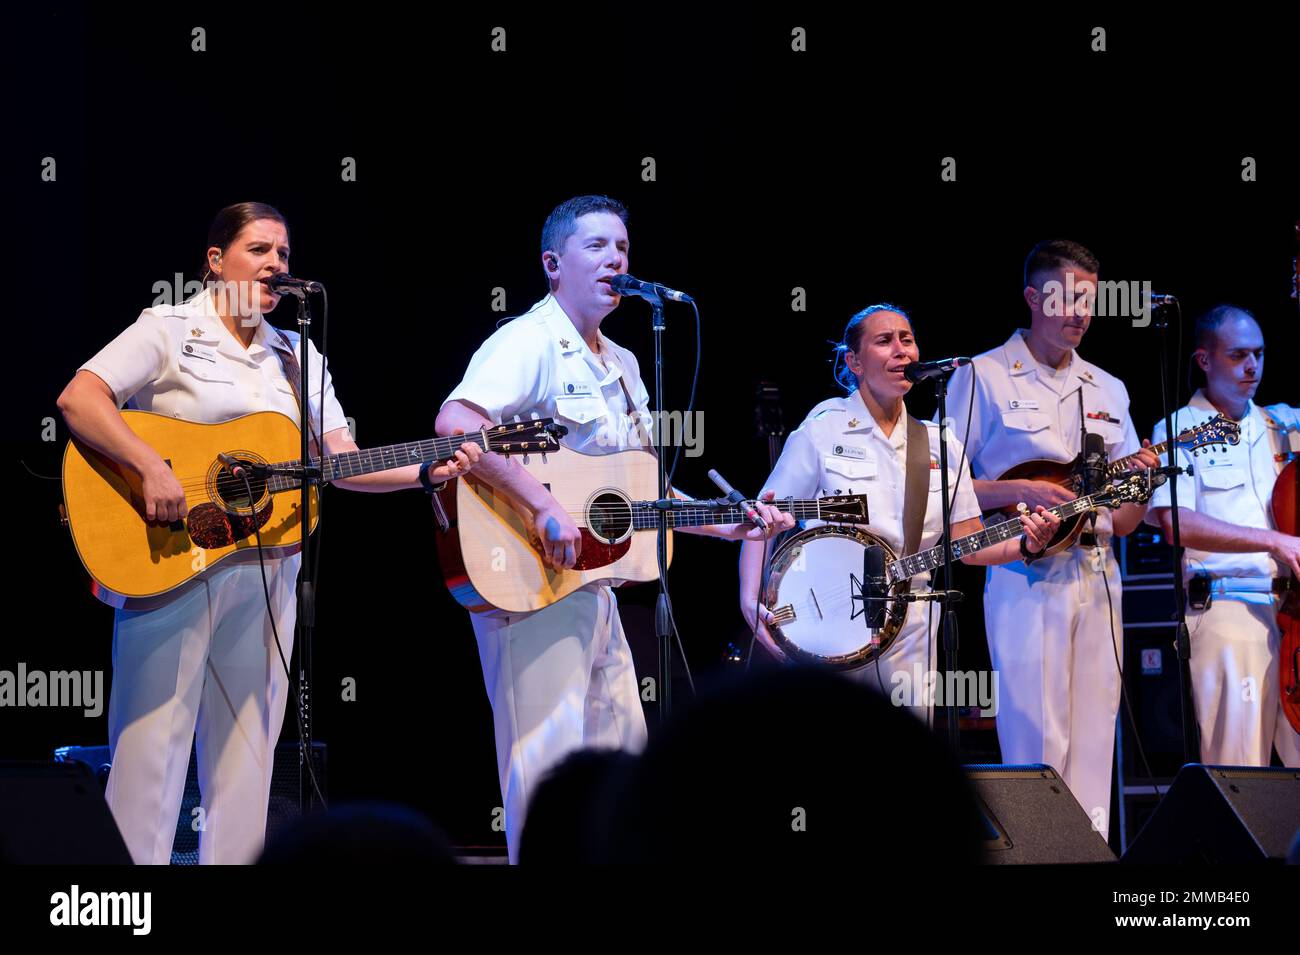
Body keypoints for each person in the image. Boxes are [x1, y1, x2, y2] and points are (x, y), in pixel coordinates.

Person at [56, 202, 481, 863]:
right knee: (150, 746)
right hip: (170, 555)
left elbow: (339, 461)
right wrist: (148, 467)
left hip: (269, 563)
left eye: (283, 254)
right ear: (216, 259)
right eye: (259, 250)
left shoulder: (297, 354)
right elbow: (79, 398)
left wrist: (426, 470)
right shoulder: (168, 327)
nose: (276, 265)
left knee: (248, 748)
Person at [435, 194, 794, 862]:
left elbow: (641, 491)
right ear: (553, 263)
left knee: (620, 761)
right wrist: (542, 504)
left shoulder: (626, 364)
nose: (616, 260)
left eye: (623, 248)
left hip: (596, 588)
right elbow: (456, 424)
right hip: (527, 574)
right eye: (597, 246)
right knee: (543, 762)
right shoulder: (528, 340)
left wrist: (724, 524)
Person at [739, 303, 1060, 723]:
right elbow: (765, 517)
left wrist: (1026, 544)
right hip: (827, 618)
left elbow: (969, 546)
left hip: (910, 622)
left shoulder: (939, 443)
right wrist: (749, 600)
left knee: (903, 766)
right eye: (884, 341)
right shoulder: (825, 425)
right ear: (854, 361)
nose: (901, 350)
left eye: (906, 339)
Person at [943, 240, 1160, 841]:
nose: (1080, 313)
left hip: (1099, 572)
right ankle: (1038, 856)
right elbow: (946, 485)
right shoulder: (980, 376)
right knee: (1039, 739)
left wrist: (1139, 483)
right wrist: (1027, 492)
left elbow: (1128, 518)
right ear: (1033, 297)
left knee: (1095, 739)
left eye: (1089, 301)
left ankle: (1089, 858)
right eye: (1066, 298)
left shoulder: (1109, 387)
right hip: (1025, 573)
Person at [1147, 303, 1300, 766]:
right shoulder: (1177, 430)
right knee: (1241, 769)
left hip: (1292, 611)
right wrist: (1272, 540)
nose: (1252, 366)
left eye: (1258, 353)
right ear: (1205, 360)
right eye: (1237, 355)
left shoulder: (1284, 423)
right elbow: (1177, 521)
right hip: (1229, 607)